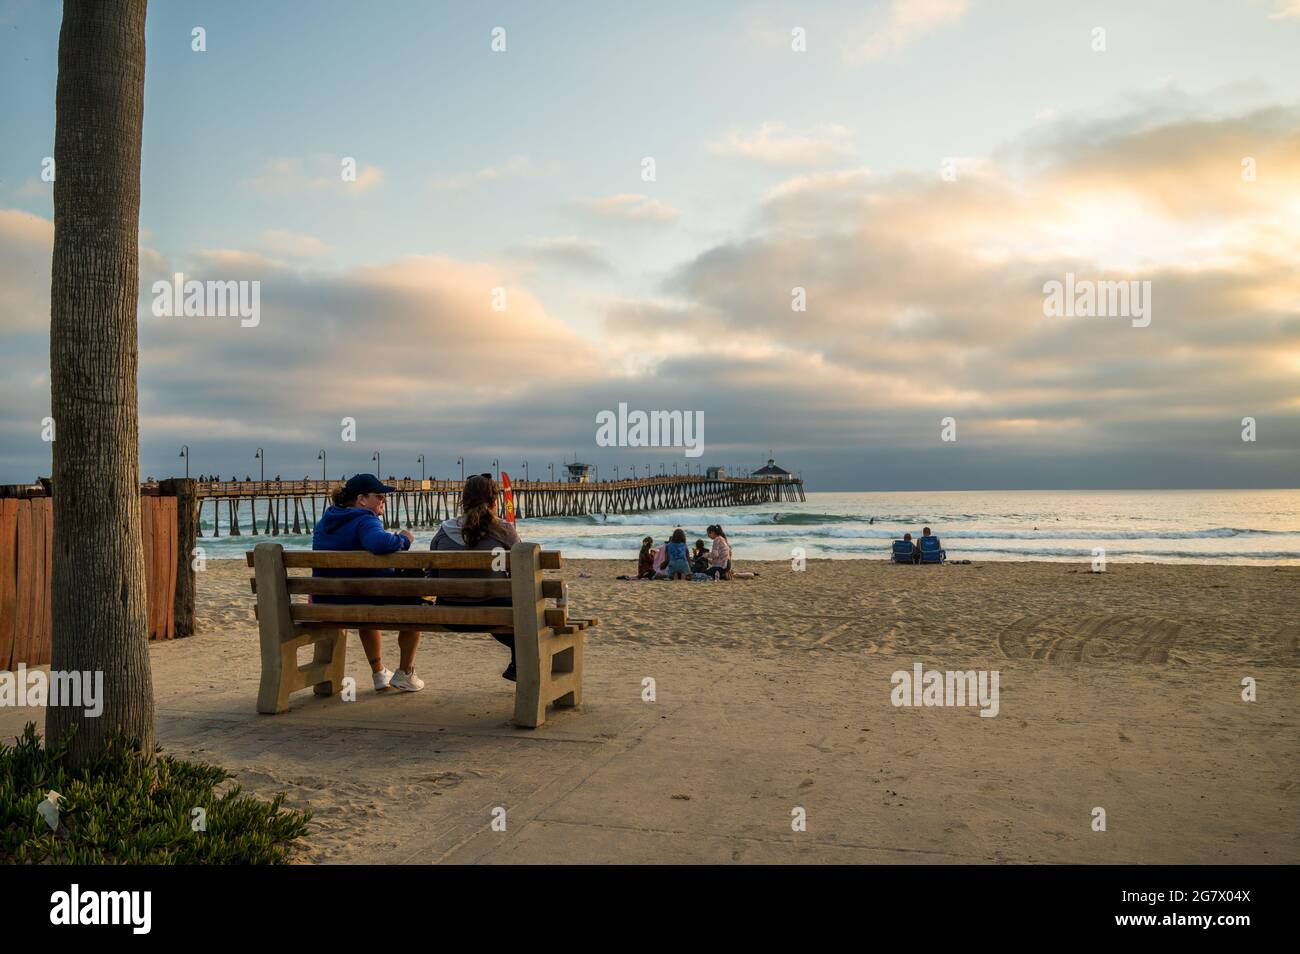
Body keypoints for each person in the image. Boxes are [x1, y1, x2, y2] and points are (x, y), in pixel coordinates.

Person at [311, 474, 423, 692]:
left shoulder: (325, 521)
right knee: (416, 601)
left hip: (326, 601)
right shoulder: (366, 519)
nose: (384, 500)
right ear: (361, 499)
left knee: (365, 597)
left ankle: (379, 673)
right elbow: (379, 543)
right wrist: (404, 539)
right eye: (379, 496)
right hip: (362, 598)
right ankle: (405, 673)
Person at [429, 474, 522, 681]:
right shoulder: (504, 530)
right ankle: (520, 663)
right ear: (494, 501)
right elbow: (521, 576)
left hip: (449, 614)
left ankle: (518, 663)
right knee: (519, 606)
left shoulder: (443, 533)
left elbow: (433, 576)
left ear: (463, 500)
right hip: (492, 614)